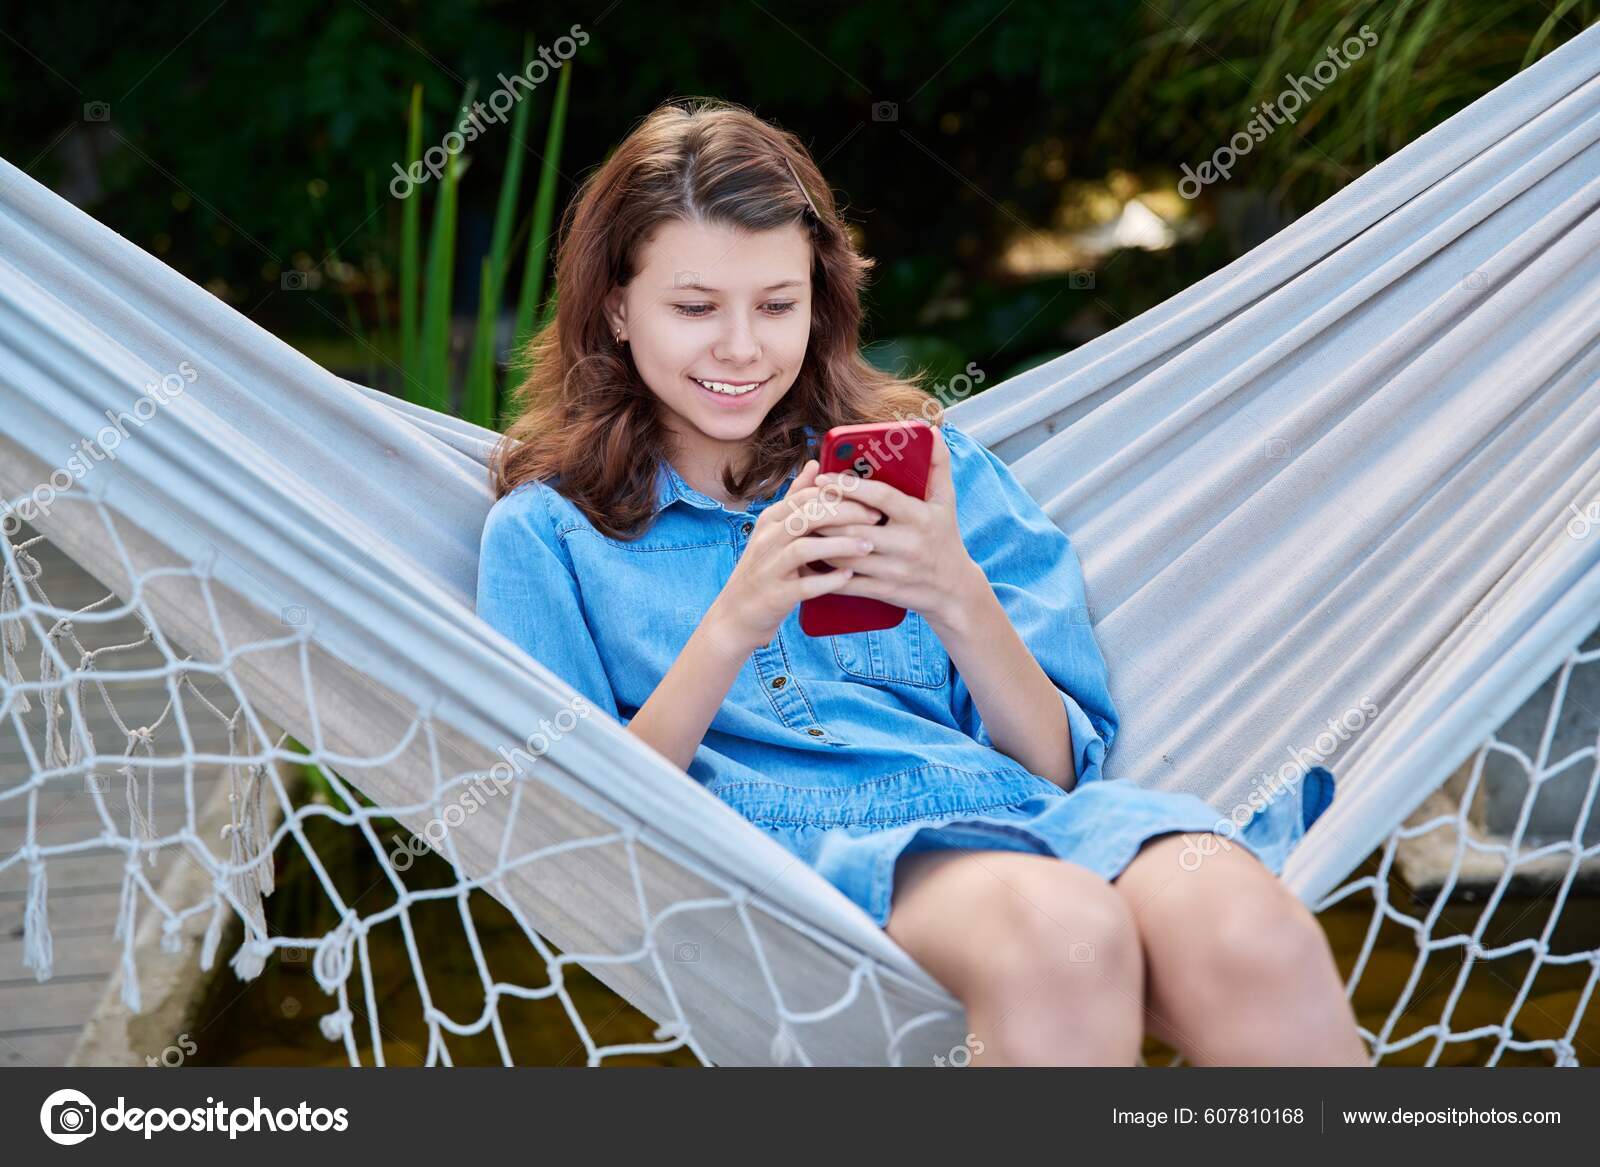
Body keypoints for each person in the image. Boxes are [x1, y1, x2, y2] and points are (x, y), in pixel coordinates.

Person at [476, 97, 1366, 1067]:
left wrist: (954, 590)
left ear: (819, 301)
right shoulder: (550, 536)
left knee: (1253, 932)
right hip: (783, 860)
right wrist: (734, 621)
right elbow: (574, 823)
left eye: (776, 304)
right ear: (615, 306)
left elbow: (1056, 772)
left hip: (1018, 811)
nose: (741, 347)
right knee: (1063, 936)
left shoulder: (937, 477)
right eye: (695, 308)